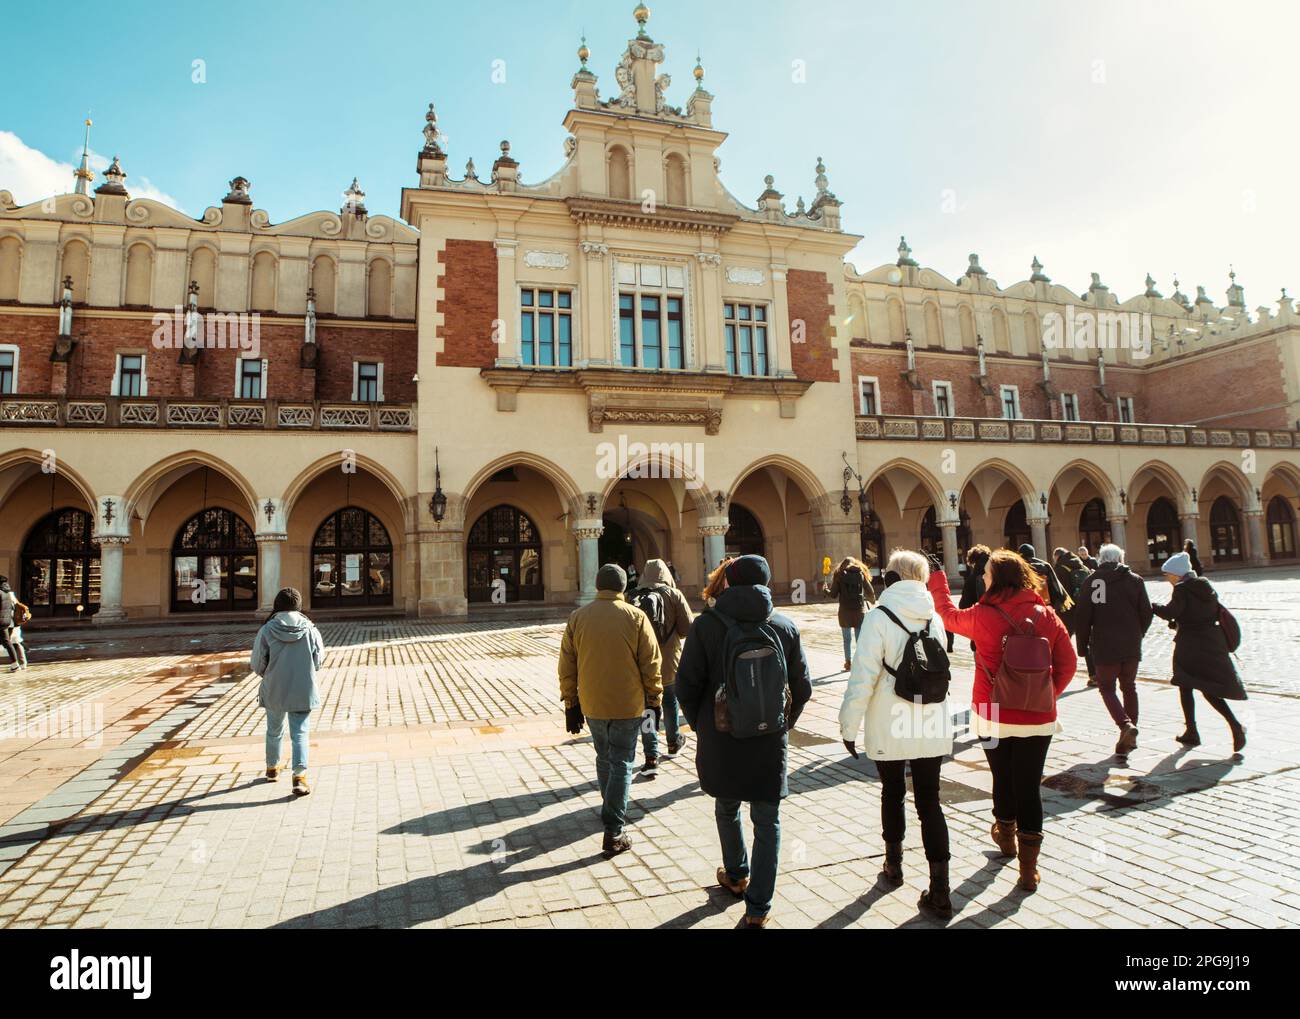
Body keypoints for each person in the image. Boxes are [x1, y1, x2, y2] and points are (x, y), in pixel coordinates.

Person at [676, 555, 812, 928]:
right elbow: (803, 687)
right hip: (769, 739)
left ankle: (736, 874)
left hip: (721, 737)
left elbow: (685, 685)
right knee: (767, 820)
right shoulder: (784, 625)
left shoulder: (706, 626)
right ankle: (758, 909)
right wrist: (782, 724)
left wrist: (702, 725)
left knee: (727, 804)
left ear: (728, 582)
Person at [928, 550, 1076, 893]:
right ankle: (1028, 870)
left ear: (999, 579)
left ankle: (1006, 837)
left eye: (988, 574)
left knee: (1002, 777)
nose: (984, 578)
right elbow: (1068, 664)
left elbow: (946, 615)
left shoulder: (983, 614)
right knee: (1029, 786)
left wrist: (937, 577)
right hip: (1038, 718)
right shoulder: (1047, 615)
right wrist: (1045, 693)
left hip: (992, 713)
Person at [840, 550, 954, 919]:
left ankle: (894, 865)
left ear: (890, 579)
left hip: (890, 720)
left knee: (893, 792)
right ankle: (940, 889)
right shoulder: (933, 616)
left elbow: (863, 677)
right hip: (930, 718)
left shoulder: (878, 617)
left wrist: (848, 725)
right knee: (930, 801)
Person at [559, 563, 663, 858]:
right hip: (627, 704)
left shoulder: (578, 617)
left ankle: (609, 807)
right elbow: (651, 664)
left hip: (592, 703)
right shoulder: (636, 617)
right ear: (623, 588)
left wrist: (571, 702)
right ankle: (614, 829)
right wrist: (654, 700)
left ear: (597, 586)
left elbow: (567, 663)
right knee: (622, 761)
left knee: (603, 756)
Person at [1152, 552, 1246, 752]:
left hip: (1190, 645)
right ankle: (1234, 725)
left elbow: (1171, 611)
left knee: (1185, 684)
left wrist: (1152, 606)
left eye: (1167, 574)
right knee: (1209, 688)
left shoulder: (1181, 589)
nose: (1167, 578)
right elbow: (1197, 613)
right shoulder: (1206, 587)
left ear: (1176, 574)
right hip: (1212, 642)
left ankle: (1192, 731)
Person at [1074, 544, 1153, 755]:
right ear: (1121, 558)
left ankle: (1125, 726)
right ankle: (1130, 733)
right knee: (1129, 686)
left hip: (1104, 644)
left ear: (1101, 559)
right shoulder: (1135, 580)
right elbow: (1147, 612)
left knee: (1106, 687)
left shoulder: (1093, 581)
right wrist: (1139, 633)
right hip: (1130, 644)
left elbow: (1083, 617)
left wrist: (1082, 647)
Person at [250, 587, 325, 797]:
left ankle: (272, 769)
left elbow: (257, 663)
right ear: (298, 606)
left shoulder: (266, 630)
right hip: (303, 689)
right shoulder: (310, 629)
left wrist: (270, 674)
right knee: (300, 733)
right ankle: (299, 777)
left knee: (274, 730)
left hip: (275, 688)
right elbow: (318, 659)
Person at [631, 558, 695, 776]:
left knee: (648, 707)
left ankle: (650, 755)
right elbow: (687, 629)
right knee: (669, 700)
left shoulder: (632, 596)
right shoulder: (673, 595)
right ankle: (673, 741)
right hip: (668, 661)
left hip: (641, 663)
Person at [825, 556, 874, 672]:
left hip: (844, 612)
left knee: (846, 639)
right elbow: (870, 591)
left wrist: (825, 590)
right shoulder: (861, 574)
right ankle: (860, 662)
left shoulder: (840, 576)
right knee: (859, 639)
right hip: (859, 611)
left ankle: (848, 662)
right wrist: (872, 600)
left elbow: (833, 595)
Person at [1017, 543, 1072, 618]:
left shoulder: (1017, 568)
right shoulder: (1045, 566)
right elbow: (1054, 586)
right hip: (1044, 606)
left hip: (1024, 608)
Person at [958, 545, 991, 653]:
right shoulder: (999, 573)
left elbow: (963, 606)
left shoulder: (972, 579)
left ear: (973, 561)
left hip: (980, 629)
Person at [0, 577, 21, 673]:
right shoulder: (7, 593)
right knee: (7, 642)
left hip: (1, 621)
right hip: (6, 621)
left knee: (7, 642)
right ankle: (15, 664)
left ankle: (15, 664)